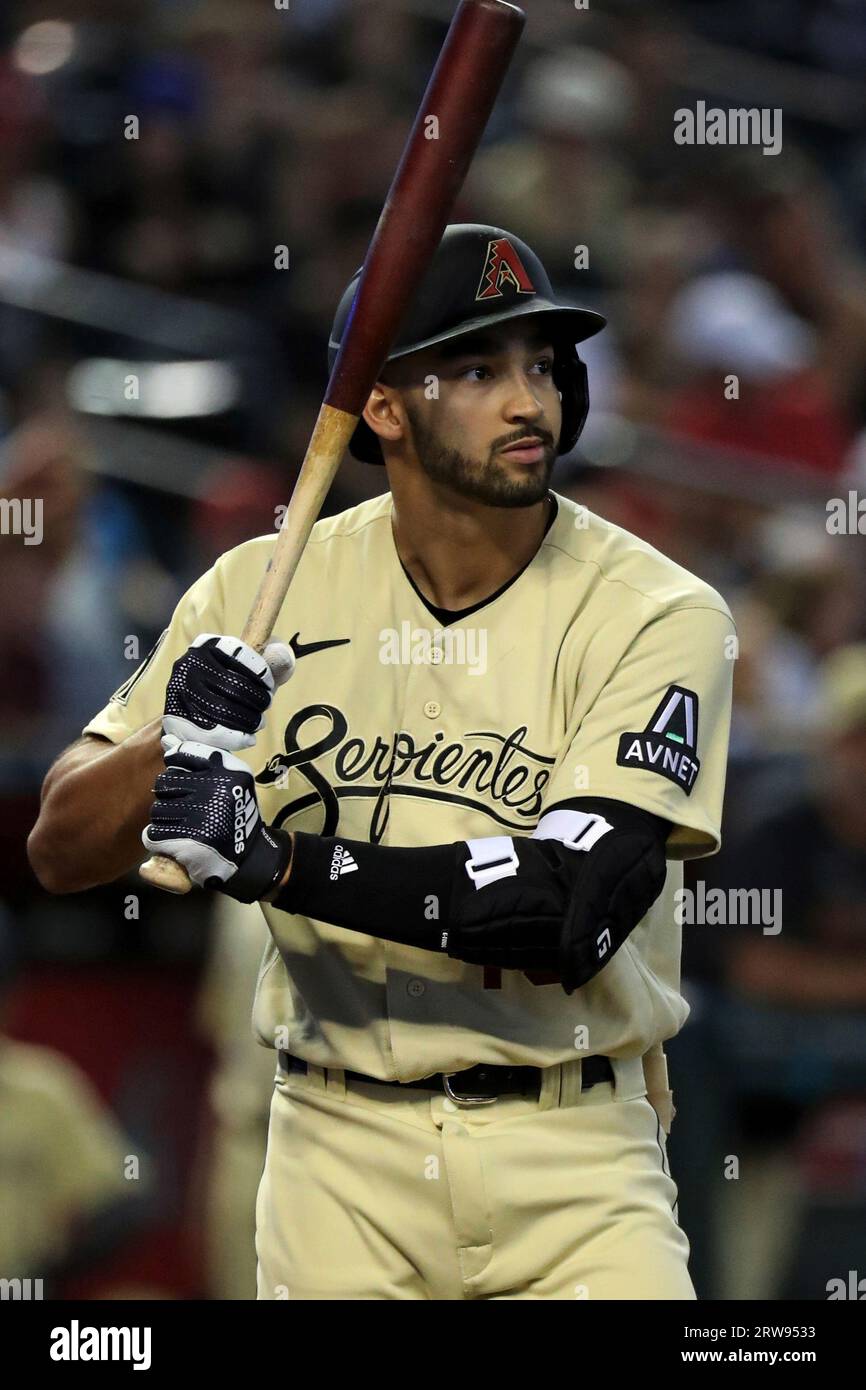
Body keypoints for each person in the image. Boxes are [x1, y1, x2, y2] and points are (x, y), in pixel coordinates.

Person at [29, 224, 735, 1301]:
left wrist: (274, 863)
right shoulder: (262, 587)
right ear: (385, 408)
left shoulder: (657, 612)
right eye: (476, 368)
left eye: (541, 367)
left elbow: (567, 907)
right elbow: (61, 846)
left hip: (573, 1148)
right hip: (335, 1147)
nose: (527, 402)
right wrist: (179, 735)